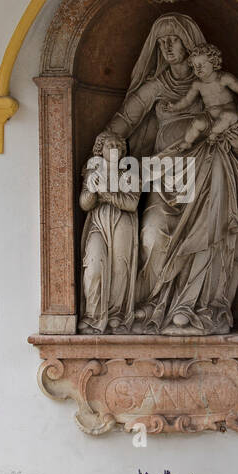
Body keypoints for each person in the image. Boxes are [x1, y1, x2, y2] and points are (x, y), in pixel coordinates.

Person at [103, 13, 238, 335]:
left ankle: (194, 306)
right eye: (161, 41)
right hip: (166, 175)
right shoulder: (157, 86)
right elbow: (124, 119)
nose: (166, 47)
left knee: (208, 230)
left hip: (204, 171)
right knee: (152, 236)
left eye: (173, 39)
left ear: (189, 44)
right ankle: (153, 304)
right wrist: (106, 139)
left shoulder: (213, 82)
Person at [78, 133, 139, 334]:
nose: (113, 148)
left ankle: (116, 315)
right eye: (108, 145)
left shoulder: (129, 173)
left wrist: (107, 195)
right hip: (98, 223)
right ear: (100, 150)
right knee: (94, 266)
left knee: (120, 267)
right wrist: (93, 193)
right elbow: (84, 204)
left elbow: (131, 203)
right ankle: (92, 316)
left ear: (123, 151)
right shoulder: (93, 172)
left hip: (122, 222)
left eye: (117, 145)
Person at [165, 42, 238, 151]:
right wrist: (175, 107)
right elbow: (187, 100)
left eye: (202, 64)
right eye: (195, 66)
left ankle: (214, 134)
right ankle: (187, 142)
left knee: (227, 115)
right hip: (210, 116)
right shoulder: (197, 84)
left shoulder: (224, 78)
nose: (198, 68)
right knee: (197, 122)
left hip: (229, 116)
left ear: (214, 62)